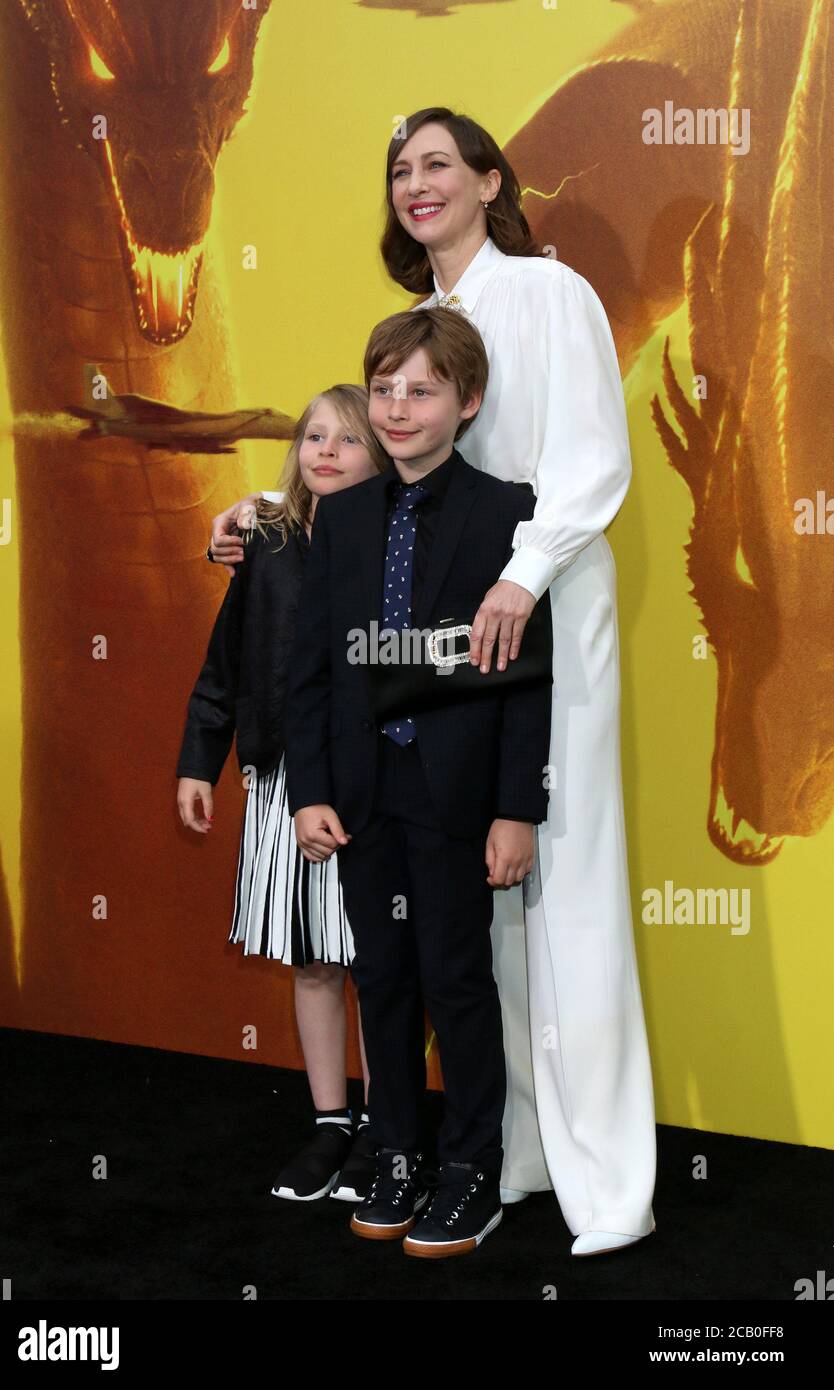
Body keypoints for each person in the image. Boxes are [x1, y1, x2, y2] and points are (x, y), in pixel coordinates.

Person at [208, 107, 657, 1256]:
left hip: (535, 612)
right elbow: (364, 462)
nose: (414, 185)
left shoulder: (548, 292)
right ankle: (497, 1149)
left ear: (489, 180)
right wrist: (264, 516)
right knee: (461, 925)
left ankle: (600, 1170)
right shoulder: (426, 327)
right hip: (433, 649)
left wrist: (522, 576)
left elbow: (591, 459)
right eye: (398, 169)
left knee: (552, 877)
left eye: (437, 166)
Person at [284, 304, 553, 1259]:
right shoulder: (344, 517)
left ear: (466, 401)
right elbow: (311, 665)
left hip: (456, 799)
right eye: (386, 388)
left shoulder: (508, 513)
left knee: (456, 981)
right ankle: (397, 1150)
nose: (398, 408)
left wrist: (518, 808)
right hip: (362, 795)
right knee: (383, 977)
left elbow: (527, 679)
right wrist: (308, 787)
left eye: (423, 390)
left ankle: (472, 1167)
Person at [175, 385, 390, 1205]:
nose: (326, 451)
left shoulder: (397, 543)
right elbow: (228, 660)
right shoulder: (264, 541)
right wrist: (200, 757)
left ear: (383, 452)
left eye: (347, 439)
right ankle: (332, 1122)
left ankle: (386, 1123)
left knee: (377, 960)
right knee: (313, 961)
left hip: (369, 785)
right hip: (280, 783)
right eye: (312, 437)